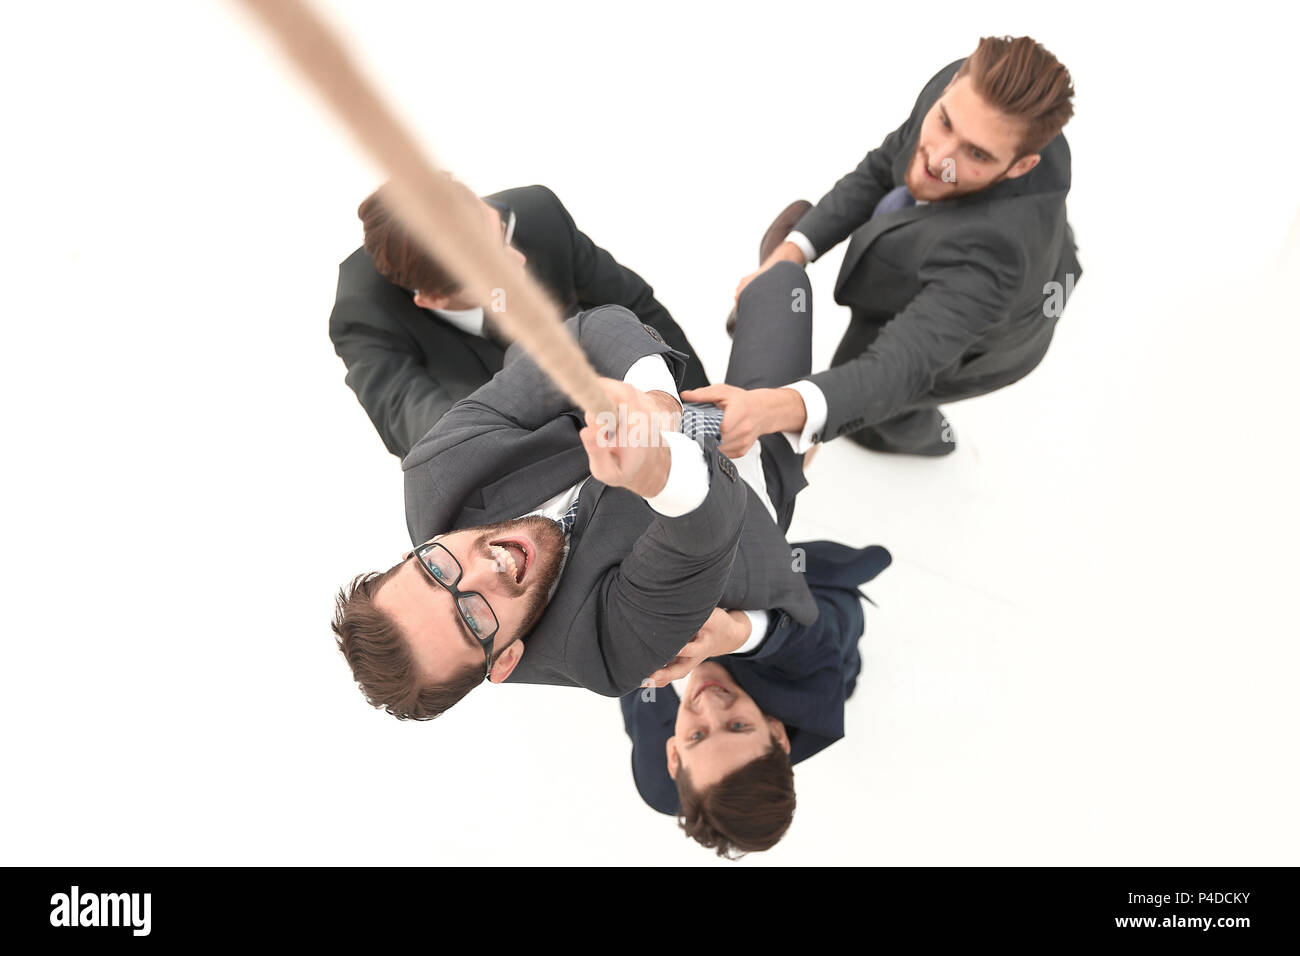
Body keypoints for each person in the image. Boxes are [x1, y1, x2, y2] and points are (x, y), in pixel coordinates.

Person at [332, 262, 887, 719]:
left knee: (778, 282)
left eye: (434, 572)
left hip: (687, 409)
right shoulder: (603, 654)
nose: (485, 570)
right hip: (751, 500)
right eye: (473, 620)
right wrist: (657, 471)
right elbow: (706, 527)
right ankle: (811, 442)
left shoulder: (437, 469)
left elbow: (582, 335)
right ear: (503, 663)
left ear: (413, 554)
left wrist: (658, 405)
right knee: (803, 316)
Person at [692, 35, 1081, 458]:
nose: (939, 160)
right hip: (986, 259)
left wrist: (775, 409)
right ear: (952, 84)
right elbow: (885, 166)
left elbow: (895, 370)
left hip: (985, 341)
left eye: (976, 154)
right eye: (945, 123)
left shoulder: (994, 257)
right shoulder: (970, 100)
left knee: (881, 411)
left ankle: (930, 440)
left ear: (1021, 166)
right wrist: (793, 251)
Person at [330, 182, 710, 459]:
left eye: (502, 235)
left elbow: (639, 308)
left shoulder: (539, 218)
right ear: (432, 299)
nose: (517, 261)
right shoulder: (364, 317)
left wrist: (694, 417)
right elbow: (441, 440)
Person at [621, 540, 890, 857]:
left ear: (674, 756)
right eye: (737, 725)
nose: (708, 703)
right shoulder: (812, 686)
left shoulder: (657, 782)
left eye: (697, 734)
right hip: (823, 617)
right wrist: (740, 632)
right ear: (776, 732)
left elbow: (633, 677)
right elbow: (816, 625)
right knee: (841, 662)